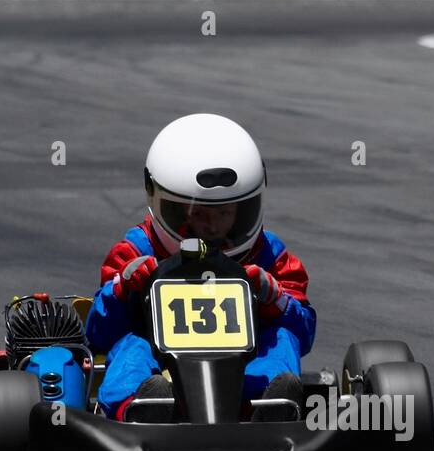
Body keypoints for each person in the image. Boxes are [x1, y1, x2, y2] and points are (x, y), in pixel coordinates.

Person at [85, 113, 315, 421]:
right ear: (163, 200)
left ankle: (268, 408)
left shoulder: (270, 255)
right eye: (200, 213)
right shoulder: (137, 251)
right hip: (162, 367)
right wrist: (123, 287)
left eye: (224, 213)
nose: (212, 226)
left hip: (241, 368)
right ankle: (141, 409)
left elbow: (305, 333)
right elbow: (98, 334)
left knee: (282, 339)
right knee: (131, 346)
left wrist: (277, 300)